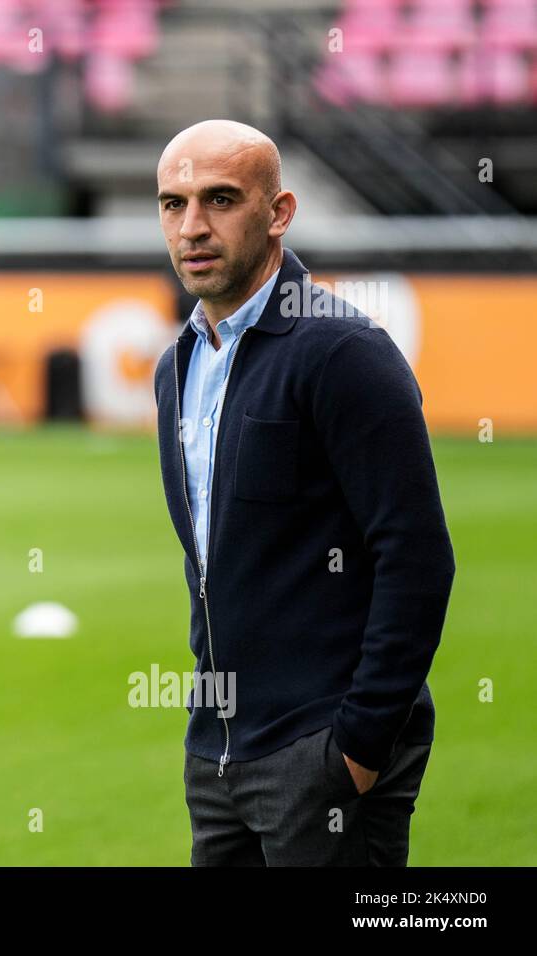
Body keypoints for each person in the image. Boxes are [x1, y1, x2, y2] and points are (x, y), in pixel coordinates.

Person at [151, 119, 454, 865]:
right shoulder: (177, 365)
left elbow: (417, 560)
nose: (193, 226)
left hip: (324, 755)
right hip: (219, 755)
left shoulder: (345, 353)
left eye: (220, 200)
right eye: (172, 203)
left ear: (279, 212)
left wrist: (357, 746)